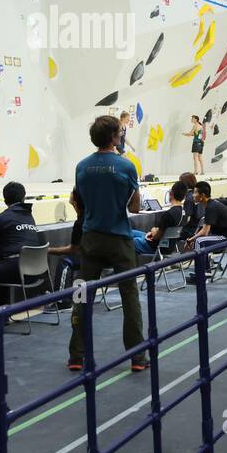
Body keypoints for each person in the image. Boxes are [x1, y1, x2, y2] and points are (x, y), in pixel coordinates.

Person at [68, 115, 147, 373]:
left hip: (91, 238)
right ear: (115, 137)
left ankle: (76, 356)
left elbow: (77, 202)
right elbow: (134, 208)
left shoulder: (82, 166)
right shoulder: (126, 167)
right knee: (129, 296)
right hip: (119, 238)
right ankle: (137, 357)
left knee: (82, 295)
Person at [0, 181, 40, 287]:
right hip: (36, 269)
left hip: (16, 271)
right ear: (23, 198)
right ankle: (4, 303)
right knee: (2, 263)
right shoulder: (29, 216)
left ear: (5, 200)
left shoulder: (3, 218)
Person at [189, 181, 227, 252]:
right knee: (199, 238)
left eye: (195, 192)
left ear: (202, 195)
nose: (193, 195)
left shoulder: (211, 207)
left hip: (226, 237)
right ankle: (207, 262)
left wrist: (190, 240)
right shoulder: (212, 203)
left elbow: (205, 232)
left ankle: (201, 263)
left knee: (199, 241)